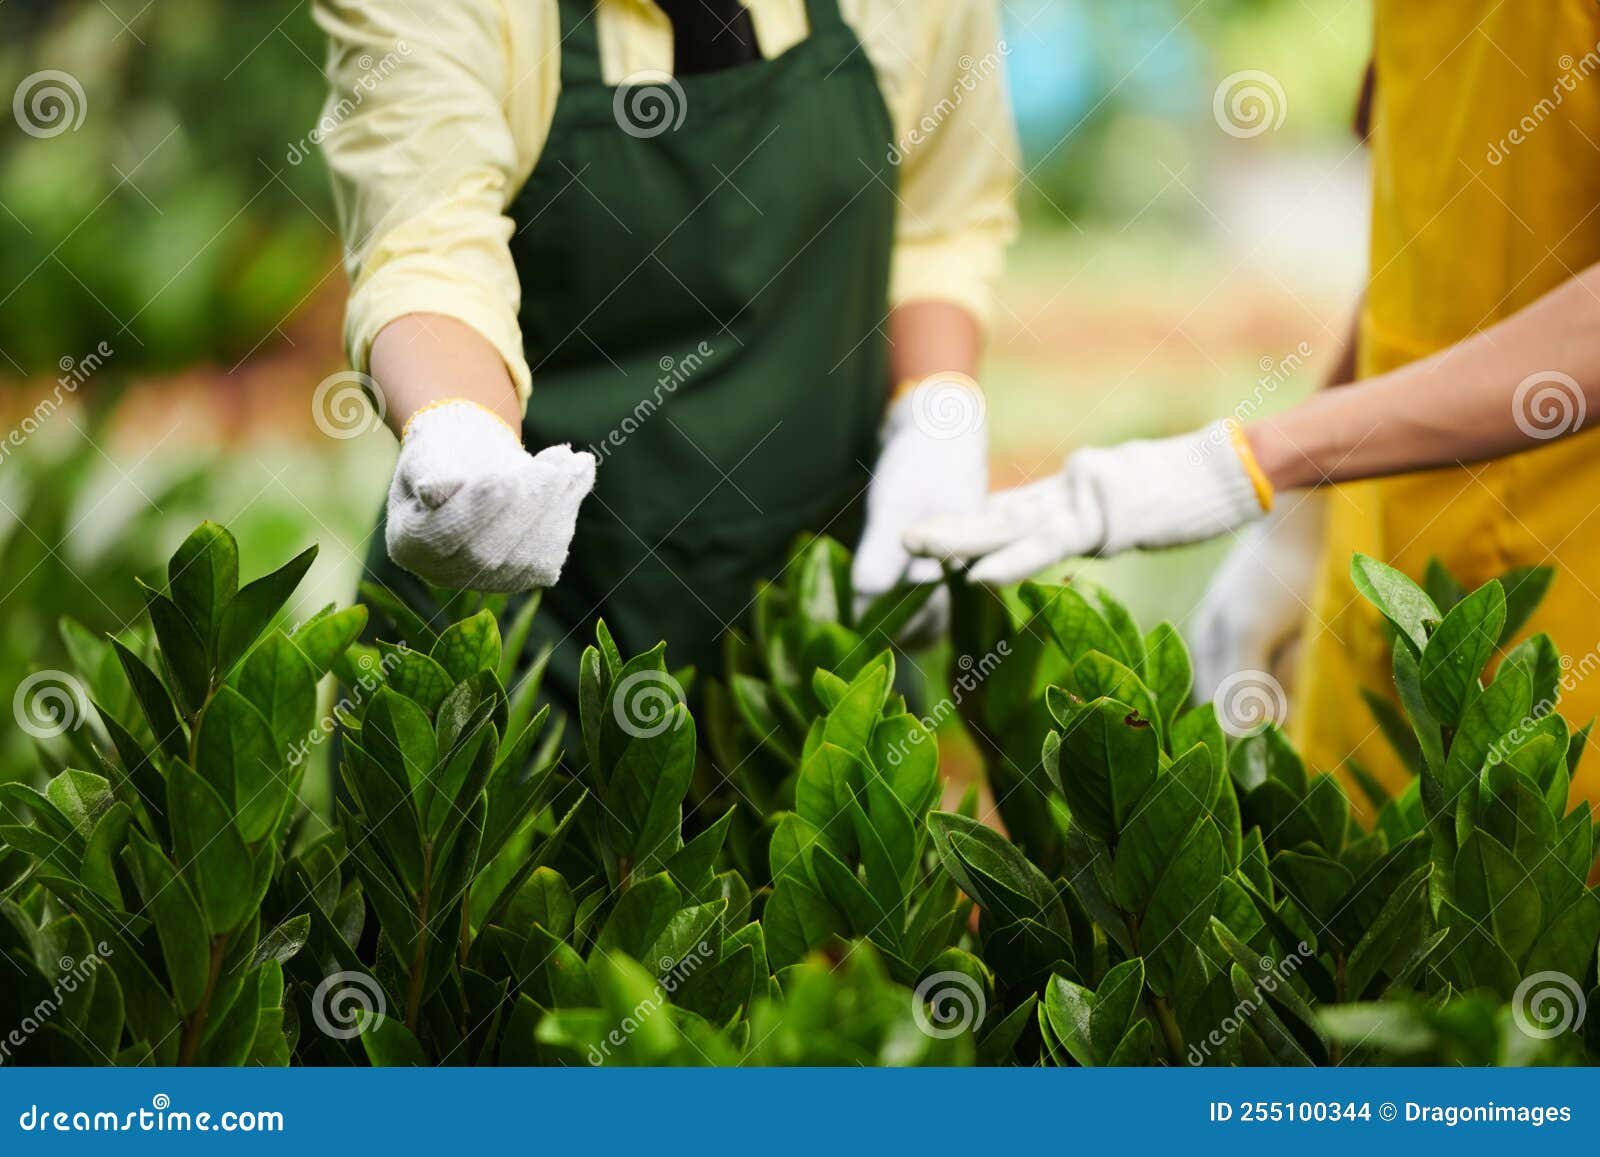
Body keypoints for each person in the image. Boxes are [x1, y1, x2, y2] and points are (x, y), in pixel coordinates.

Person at [909, 3, 1600, 803]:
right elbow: (1433, 230)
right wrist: (1302, 512)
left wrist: (1258, 460)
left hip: (1562, 631)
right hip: (1376, 585)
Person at [313, 0, 1018, 714]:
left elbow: (944, 216)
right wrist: (460, 429)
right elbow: (429, 246)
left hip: (813, 646)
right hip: (520, 649)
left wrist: (935, 411)